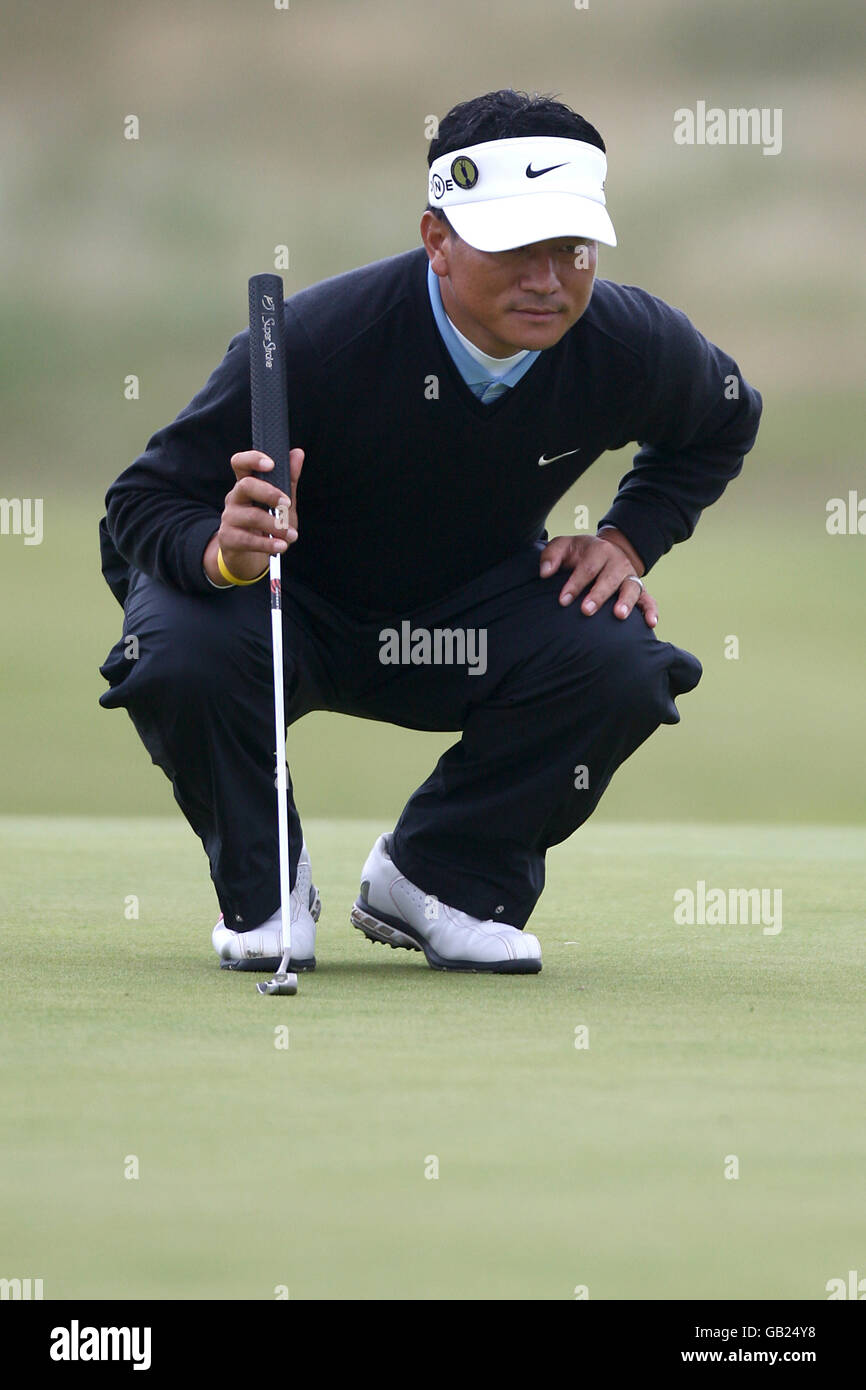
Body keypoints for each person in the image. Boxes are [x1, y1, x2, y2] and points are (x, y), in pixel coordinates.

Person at [98, 89, 762, 977]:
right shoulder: (316, 341)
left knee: (623, 659)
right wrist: (222, 553)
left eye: (571, 249)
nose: (548, 279)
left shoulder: (627, 344)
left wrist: (628, 539)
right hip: (279, 611)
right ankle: (265, 892)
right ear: (438, 242)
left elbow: (724, 420)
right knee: (172, 647)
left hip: (467, 611)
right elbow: (139, 505)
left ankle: (442, 879)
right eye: (513, 247)